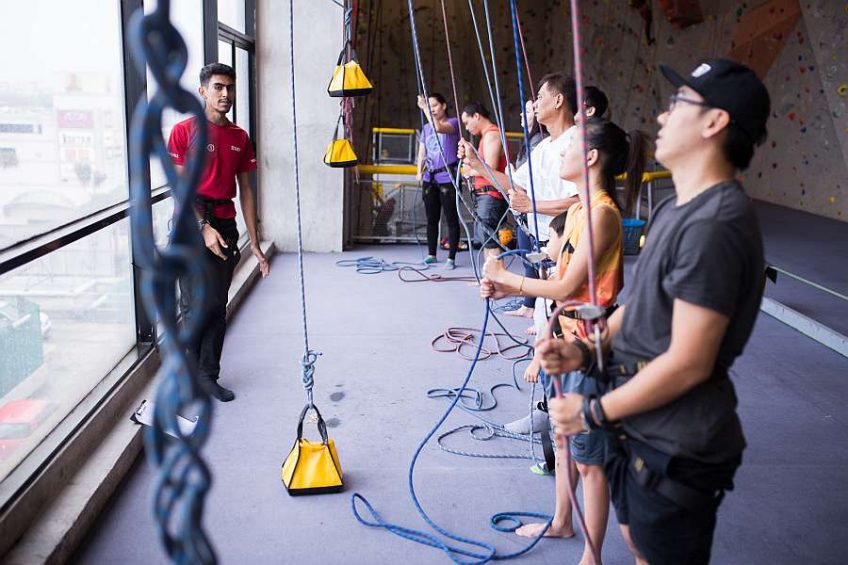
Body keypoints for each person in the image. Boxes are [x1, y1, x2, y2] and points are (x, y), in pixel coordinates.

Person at [538, 59, 770, 565]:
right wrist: (585, 351)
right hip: (642, 423)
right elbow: (641, 306)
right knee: (638, 541)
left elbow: (689, 362)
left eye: (679, 104)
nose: (663, 116)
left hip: (678, 441)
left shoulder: (715, 225)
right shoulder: (676, 209)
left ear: (714, 122)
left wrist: (591, 412)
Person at [483, 117, 647, 564]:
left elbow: (566, 287)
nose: (561, 152)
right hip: (565, 340)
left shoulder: (602, 215)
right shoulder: (576, 212)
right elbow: (558, 284)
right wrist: (506, 290)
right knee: (561, 438)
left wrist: (509, 280)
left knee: (591, 459)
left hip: (590, 349)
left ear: (590, 158)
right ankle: (562, 520)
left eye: (570, 146)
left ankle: (591, 557)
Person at [168, 62, 270, 402]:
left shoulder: (240, 138)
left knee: (215, 304)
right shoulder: (183, 132)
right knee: (192, 306)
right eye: (218, 87)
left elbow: (247, 191)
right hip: (189, 223)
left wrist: (254, 241)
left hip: (225, 224)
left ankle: (207, 375)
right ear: (203, 91)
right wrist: (202, 227)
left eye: (229, 87)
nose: (225, 94)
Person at [461, 73, 581, 315]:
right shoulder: (544, 146)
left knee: (562, 319)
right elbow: (515, 184)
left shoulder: (576, 141)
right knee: (546, 319)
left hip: (567, 245)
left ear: (558, 101)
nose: (535, 104)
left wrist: (531, 206)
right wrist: (477, 164)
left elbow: (580, 201)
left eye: (540, 97)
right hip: (545, 244)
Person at [415, 93, 462, 269]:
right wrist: (418, 171)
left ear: (443, 106)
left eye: (434, 105)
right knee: (431, 218)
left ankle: (451, 258)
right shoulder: (426, 128)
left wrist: (424, 108)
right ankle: (431, 254)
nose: (432, 109)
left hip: (447, 177)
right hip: (430, 176)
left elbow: (438, 128)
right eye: (430, 106)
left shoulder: (453, 123)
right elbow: (422, 151)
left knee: (451, 218)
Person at [458, 102, 508, 259]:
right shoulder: (486, 136)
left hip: (490, 195)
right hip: (485, 195)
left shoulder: (492, 135)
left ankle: (494, 273)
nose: (466, 128)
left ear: (476, 116)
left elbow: (490, 167)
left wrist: (469, 170)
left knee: (489, 241)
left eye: (467, 122)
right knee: (486, 240)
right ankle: (490, 273)